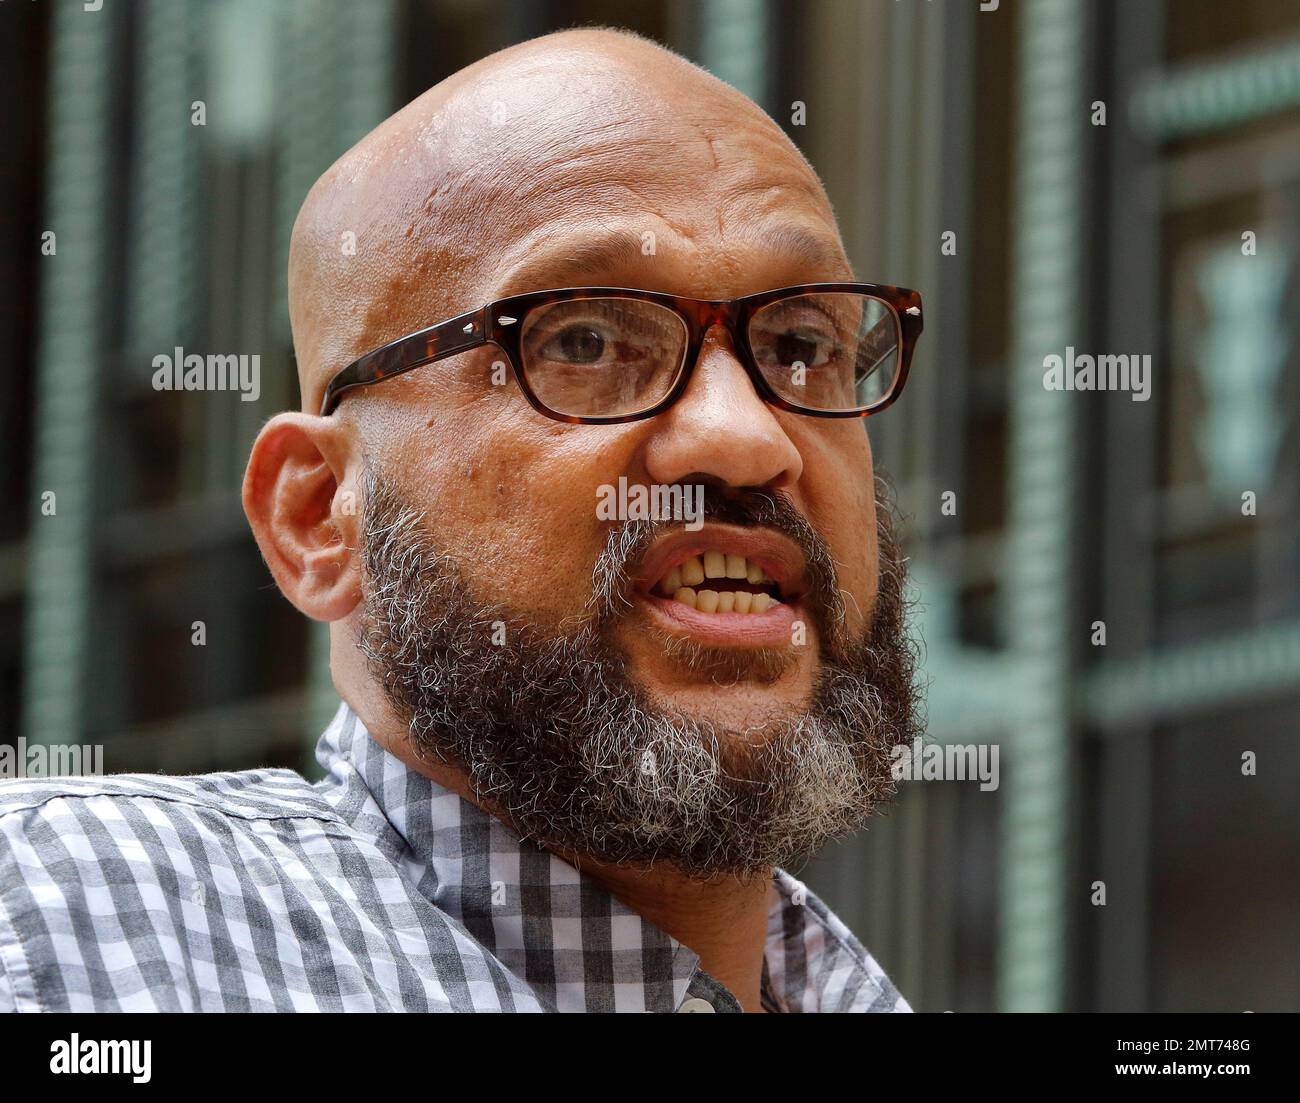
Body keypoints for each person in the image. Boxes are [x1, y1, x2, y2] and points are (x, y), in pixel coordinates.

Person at [0, 26, 922, 1013]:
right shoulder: (66, 921)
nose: (747, 439)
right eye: (584, 337)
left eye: (799, 343)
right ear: (319, 515)